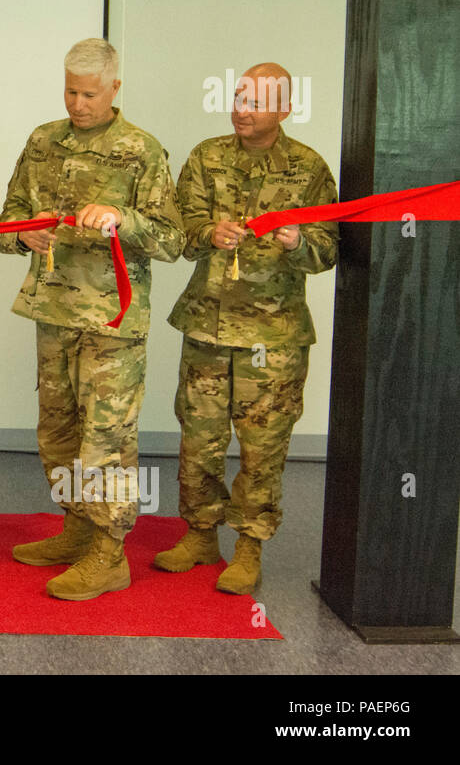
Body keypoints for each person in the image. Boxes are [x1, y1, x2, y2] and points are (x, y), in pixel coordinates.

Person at [0, 38, 185, 600]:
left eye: (89, 93)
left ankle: (109, 555)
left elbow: (173, 239)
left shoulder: (140, 150)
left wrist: (123, 219)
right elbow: (8, 218)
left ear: (115, 89)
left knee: (105, 440)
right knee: (58, 434)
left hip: (113, 320)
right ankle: (76, 529)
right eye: (70, 91)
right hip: (52, 311)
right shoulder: (42, 140)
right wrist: (21, 231)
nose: (77, 103)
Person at [154, 63, 337, 593]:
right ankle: (200, 534)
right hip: (208, 327)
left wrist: (296, 242)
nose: (241, 108)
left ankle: (249, 547)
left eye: (255, 101)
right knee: (200, 439)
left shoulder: (309, 168)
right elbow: (176, 234)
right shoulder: (206, 157)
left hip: (272, 338)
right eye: (238, 96)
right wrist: (208, 232)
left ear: (283, 108)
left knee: (262, 447)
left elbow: (328, 250)